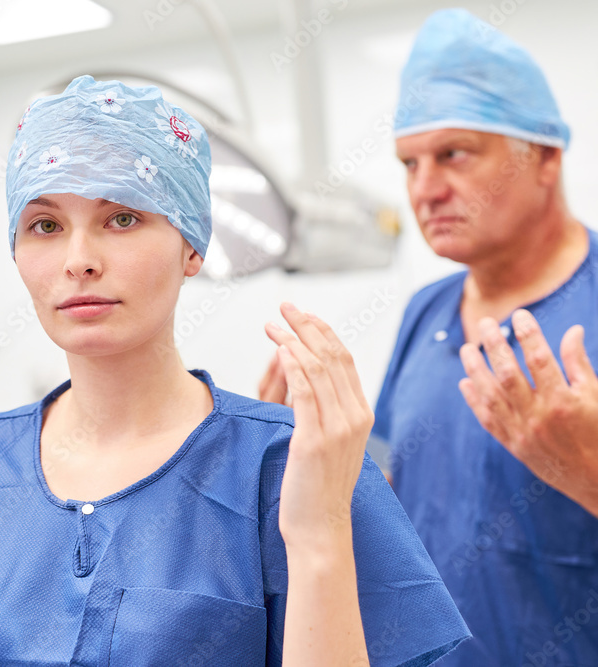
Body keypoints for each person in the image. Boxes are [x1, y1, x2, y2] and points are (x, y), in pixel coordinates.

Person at [0, 75, 469, 666]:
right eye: (45, 225)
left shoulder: (286, 462)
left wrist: (316, 536)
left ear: (191, 245)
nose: (78, 258)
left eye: (122, 218)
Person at [268, 9, 598, 666]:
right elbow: (387, 486)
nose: (424, 190)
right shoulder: (429, 310)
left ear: (544, 156)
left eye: (453, 154)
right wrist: (312, 452)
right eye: (409, 164)